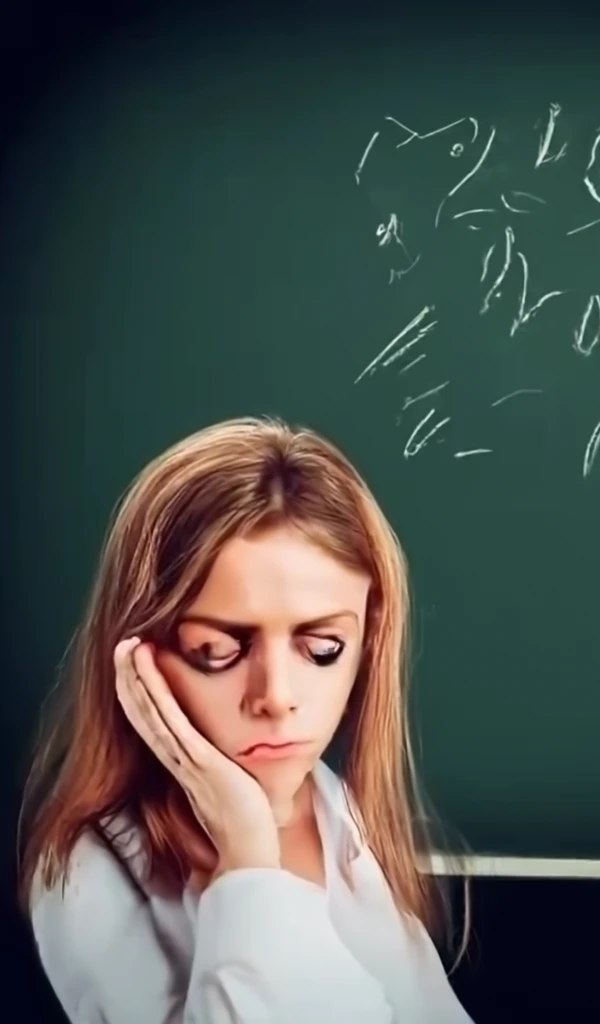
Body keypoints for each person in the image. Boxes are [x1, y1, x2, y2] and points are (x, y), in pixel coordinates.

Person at [18, 416, 474, 1023]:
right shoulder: (92, 875)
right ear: (138, 662)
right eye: (215, 651)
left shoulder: (338, 810)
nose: (276, 697)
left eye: (323, 649)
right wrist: (249, 861)